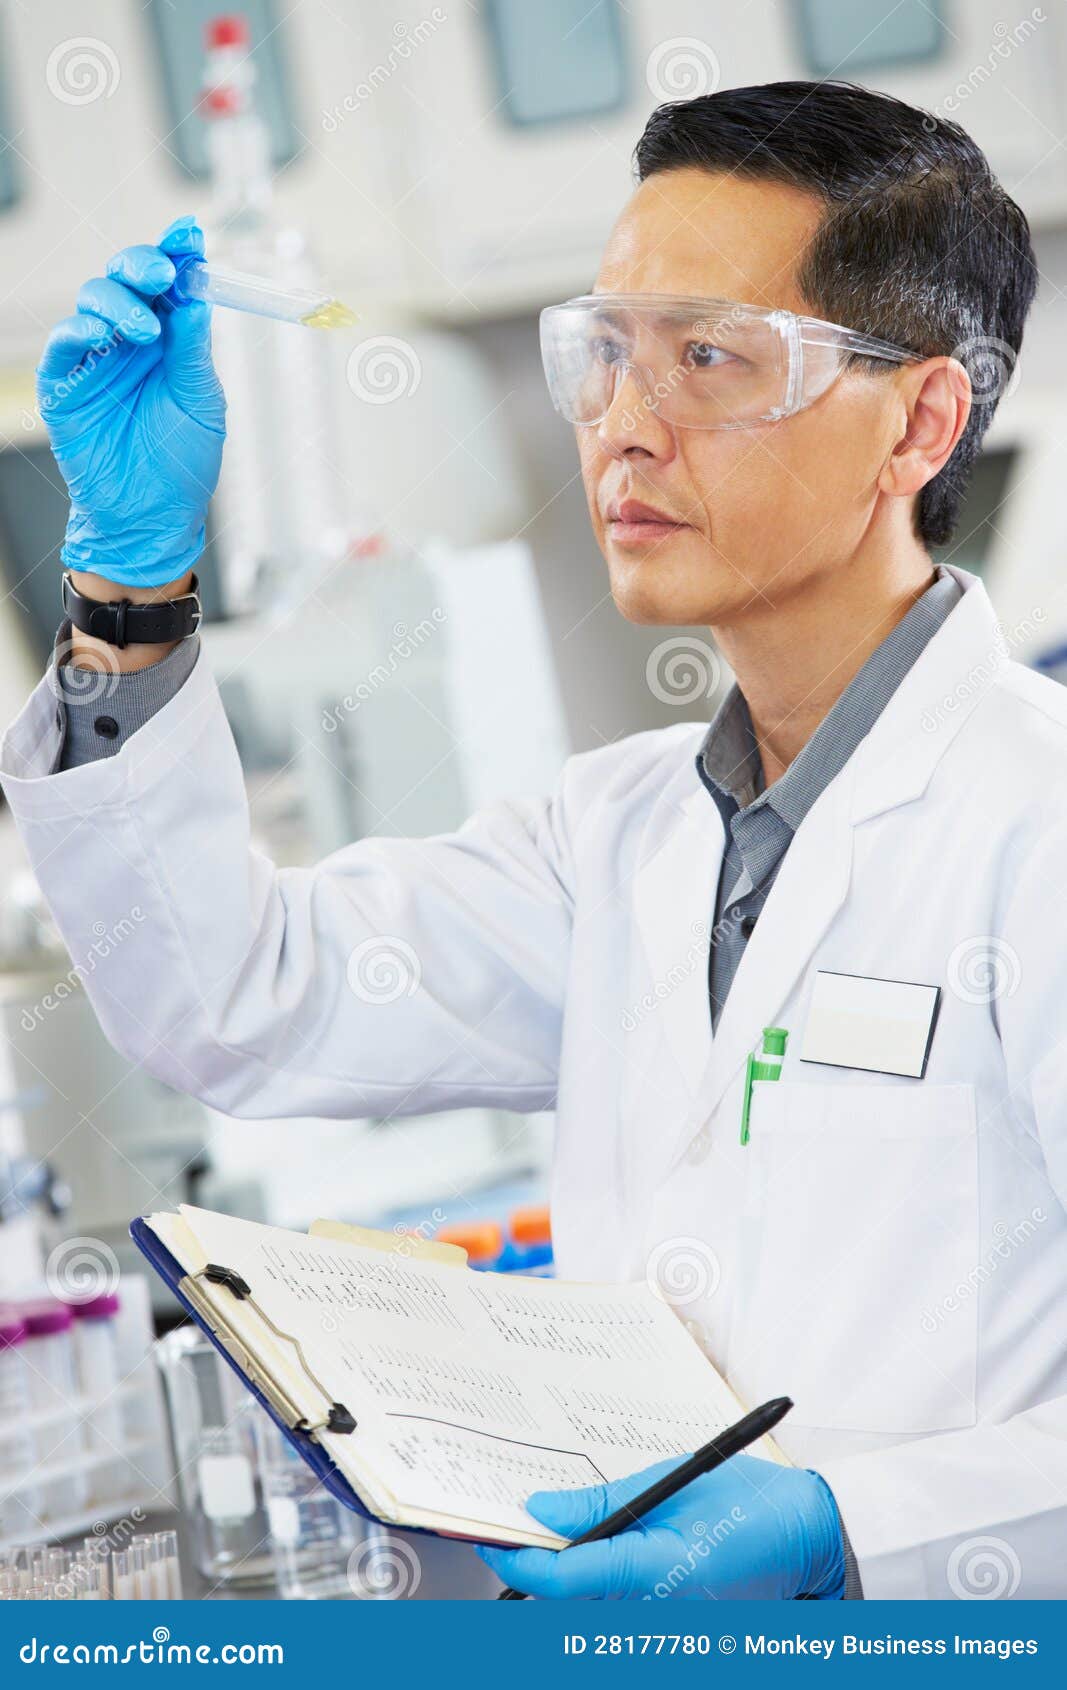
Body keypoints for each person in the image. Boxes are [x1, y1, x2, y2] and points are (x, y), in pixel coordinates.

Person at [1, 80, 1061, 1601]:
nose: (627, 426)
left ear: (921, 419)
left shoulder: (1038, 825)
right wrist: (130, 583)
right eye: (608, 356)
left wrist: (849, 1527)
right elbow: (237, 999)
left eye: (705, 357)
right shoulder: (618, 833)